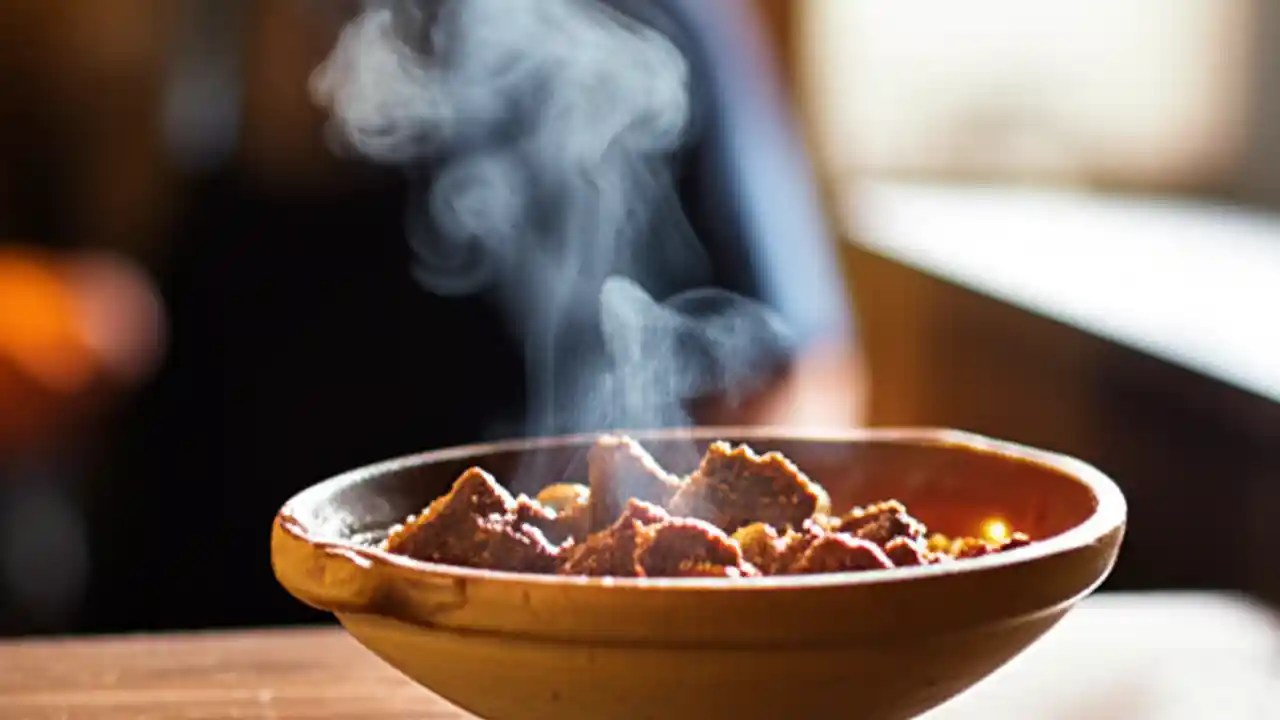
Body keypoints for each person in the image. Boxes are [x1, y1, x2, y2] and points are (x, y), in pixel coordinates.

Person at [2, 0, 864, 634]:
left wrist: (722, 566)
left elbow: (796, 372)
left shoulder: (651, 27)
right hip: (186, 622)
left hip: (530, 630)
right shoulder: (100, 35)